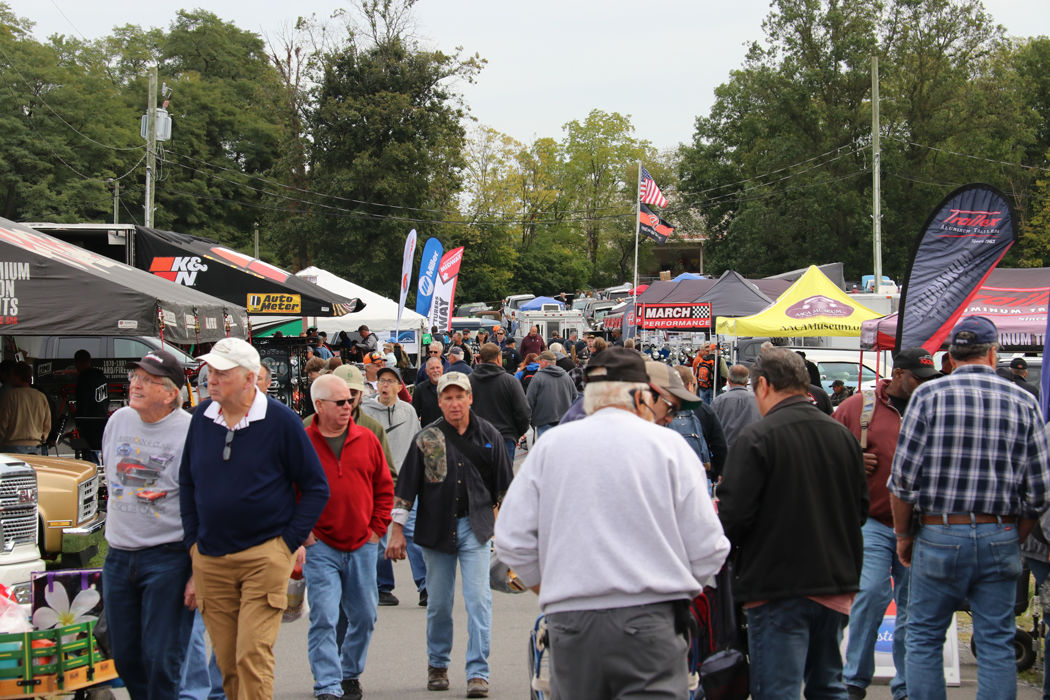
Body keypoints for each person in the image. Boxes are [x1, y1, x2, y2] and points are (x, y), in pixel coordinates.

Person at [494, 347, 730, 700]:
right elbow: (710, 547)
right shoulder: (670, 448)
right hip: (652, 620)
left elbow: (512, 540)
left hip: (572, 621)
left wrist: (552, 590)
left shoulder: (552, 446)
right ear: (640, 394)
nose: (668, 415)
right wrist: (673, 589)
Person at [888, 316, 1050, 700]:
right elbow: (1040, 490)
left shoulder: (928, 397)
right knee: (996, 642)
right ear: (993, 354)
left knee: (924, 635)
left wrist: (904, 536)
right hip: (1000, 532)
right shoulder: (1024, 401)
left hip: (939, 531)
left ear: (950, 356)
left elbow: (903, 482)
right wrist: (1014, 533)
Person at [180, 338, 330, 700]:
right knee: (228, 660)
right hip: (211, 558)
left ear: (249, 379)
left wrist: (286, 545)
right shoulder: (202, 417)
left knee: (252, 654)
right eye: (209, 371)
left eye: (220, 373)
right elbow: (187, 481)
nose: (210, 379)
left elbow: (315, 487)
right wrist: (193, 544)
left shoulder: (280, 421)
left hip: (264, 555)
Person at [717, 347, 868, 700]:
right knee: (828, 685)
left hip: (775, 586)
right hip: (835, 582)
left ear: (764, 386)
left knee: (777, 689)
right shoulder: (842, 435)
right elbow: (860, 509)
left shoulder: (756, 438)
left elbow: (733, 518)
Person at [387, 373, 514, 699]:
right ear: (440, 401)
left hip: (477, 528)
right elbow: (406, 489)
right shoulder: (426, 438)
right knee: (440, 604)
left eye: (460, 397)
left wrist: (511, 534)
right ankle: (438, 665)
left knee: (478, 601)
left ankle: (477, 673)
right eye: (448, 398)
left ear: (470, 398)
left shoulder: (490, 436)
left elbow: (505, 488)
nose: (454, 403)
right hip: (437, 530)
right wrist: (397, 531)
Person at [833, 347, 938, 700]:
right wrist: (851, 459)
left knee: (913, 606)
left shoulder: (934, 407)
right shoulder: (858, 406)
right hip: (874, 521)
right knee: (872, 593)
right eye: (917, 378)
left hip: (922, 524)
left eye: (928, 379)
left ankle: (905, 686)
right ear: (897, 375)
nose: (924, 385)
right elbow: (826, 449)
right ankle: (854, 680)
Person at [102, 350, 195, 700]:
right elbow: (111, 475)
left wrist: (196, 570)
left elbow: (201, 502)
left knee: (162, 658)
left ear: (170, 393)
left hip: (168, 558)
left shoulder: (190, 431)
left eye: (147, 380)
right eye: (135, 377)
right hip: (118, 556)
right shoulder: (119, 420)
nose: (136, 385)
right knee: (124, 657)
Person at [303, 374, 394, 700]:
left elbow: (384, 487)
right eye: (339, 402)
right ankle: (327, 684)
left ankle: (349, 673)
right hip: (321, 546)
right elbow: (288, 490)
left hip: (362, 544)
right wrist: (306, 534)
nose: (348, 406)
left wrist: (376, 532)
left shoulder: (367, 439)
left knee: (365, 616)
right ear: (319, 406)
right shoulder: (303, 440)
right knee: (325, 617)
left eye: (350, 400)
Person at [362, 366, 428, 607]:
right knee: (378, 535)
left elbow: (417, 443)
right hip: (375, 484)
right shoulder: (364, 412)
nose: (385, 385)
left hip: (406, 483)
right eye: (382, 381)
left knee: (411, 533)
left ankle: (425, 586)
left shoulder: (408, 411)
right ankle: (382, 587)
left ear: (400, 387)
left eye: (391, 381)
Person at [469, 343, 531, 460]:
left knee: (478, 477)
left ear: (480, 358)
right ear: (498, 358)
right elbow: (523, 411)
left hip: (476, 438)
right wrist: (516, 434)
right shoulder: (511, 382)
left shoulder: (468, 381)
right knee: (504, 477)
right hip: (505, 438)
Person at [673, 366, 730, 482]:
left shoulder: (662, 409)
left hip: (670, 476)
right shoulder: (704, 409)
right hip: (701, 475)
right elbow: (720, 446)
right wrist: (714, 473)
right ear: (689, 385)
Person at [0, 361, 50, 454]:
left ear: (17, 377)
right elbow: (47, 423)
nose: (10, 379)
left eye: (12, 375)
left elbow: (3, 422)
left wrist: (1, 441)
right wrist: (42, 438)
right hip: (36, 446)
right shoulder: (41, 396)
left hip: (13, 446)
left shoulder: (10, 395)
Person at [526, 351, 577, 441]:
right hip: (564, 420)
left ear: (545, 362)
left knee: (546, 451)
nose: (539, 364)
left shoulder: (538, 377)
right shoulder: (566, 376)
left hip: (543, 420)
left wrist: (528, 419)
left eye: (540, 361)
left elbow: (530, 400)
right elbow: (574, 396)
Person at [711, 364, 762, 448]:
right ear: (746, 382)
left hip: (726, 452)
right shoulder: (758, 400)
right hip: (752, 450)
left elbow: (712, 429)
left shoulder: (718, 401)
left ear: (728, 380)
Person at [74, 349, 109, 458]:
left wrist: (80, 422)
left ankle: (93, 474)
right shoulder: (101, 377)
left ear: (77, 363)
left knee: (90, 455)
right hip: (102, 419)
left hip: (89, 423)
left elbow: (83, 402)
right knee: (97, 450)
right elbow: (107, 399)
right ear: (90, 361)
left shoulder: (84, 378)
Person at [413, 357, 446, 428]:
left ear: (442, 369)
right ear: (426, 371)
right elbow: (414, 414)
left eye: (438, 367)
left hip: (449, 433)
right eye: (432, 368)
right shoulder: (420, 389)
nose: (435, 370)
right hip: (428, 434)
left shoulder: (450, 387)